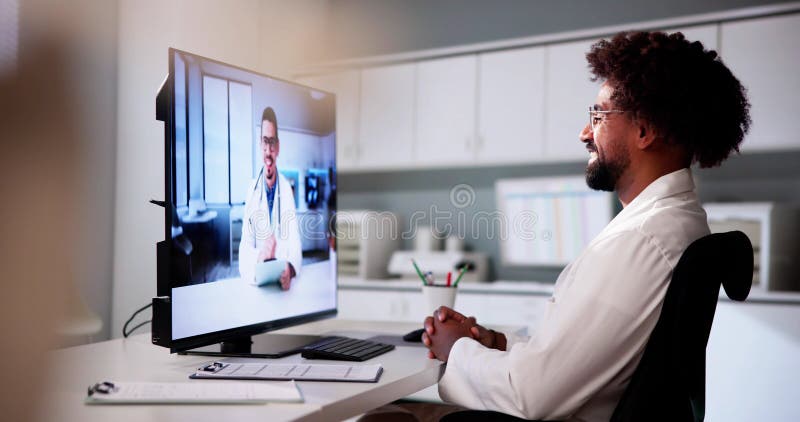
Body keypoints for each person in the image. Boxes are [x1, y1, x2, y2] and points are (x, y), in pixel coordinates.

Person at [422, 31, 751, 421]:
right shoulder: (673, 224)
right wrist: (494, 343)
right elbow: (577, 360)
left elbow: (533, 395)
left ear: (644, 130)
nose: (584, 132)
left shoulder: (640, 241)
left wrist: (457, 347)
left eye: (598, 116)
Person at [239, 107, 303, 290]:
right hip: (258, 283)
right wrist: (259, 257)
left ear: (278, 147)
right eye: (265, 142)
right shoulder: (252, 191)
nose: (268, 150)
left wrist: (290, 269)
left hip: (284, 285)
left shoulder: (287, 190)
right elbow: (244, 249)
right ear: (260, 145)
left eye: (272, 142)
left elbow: (295, 240)